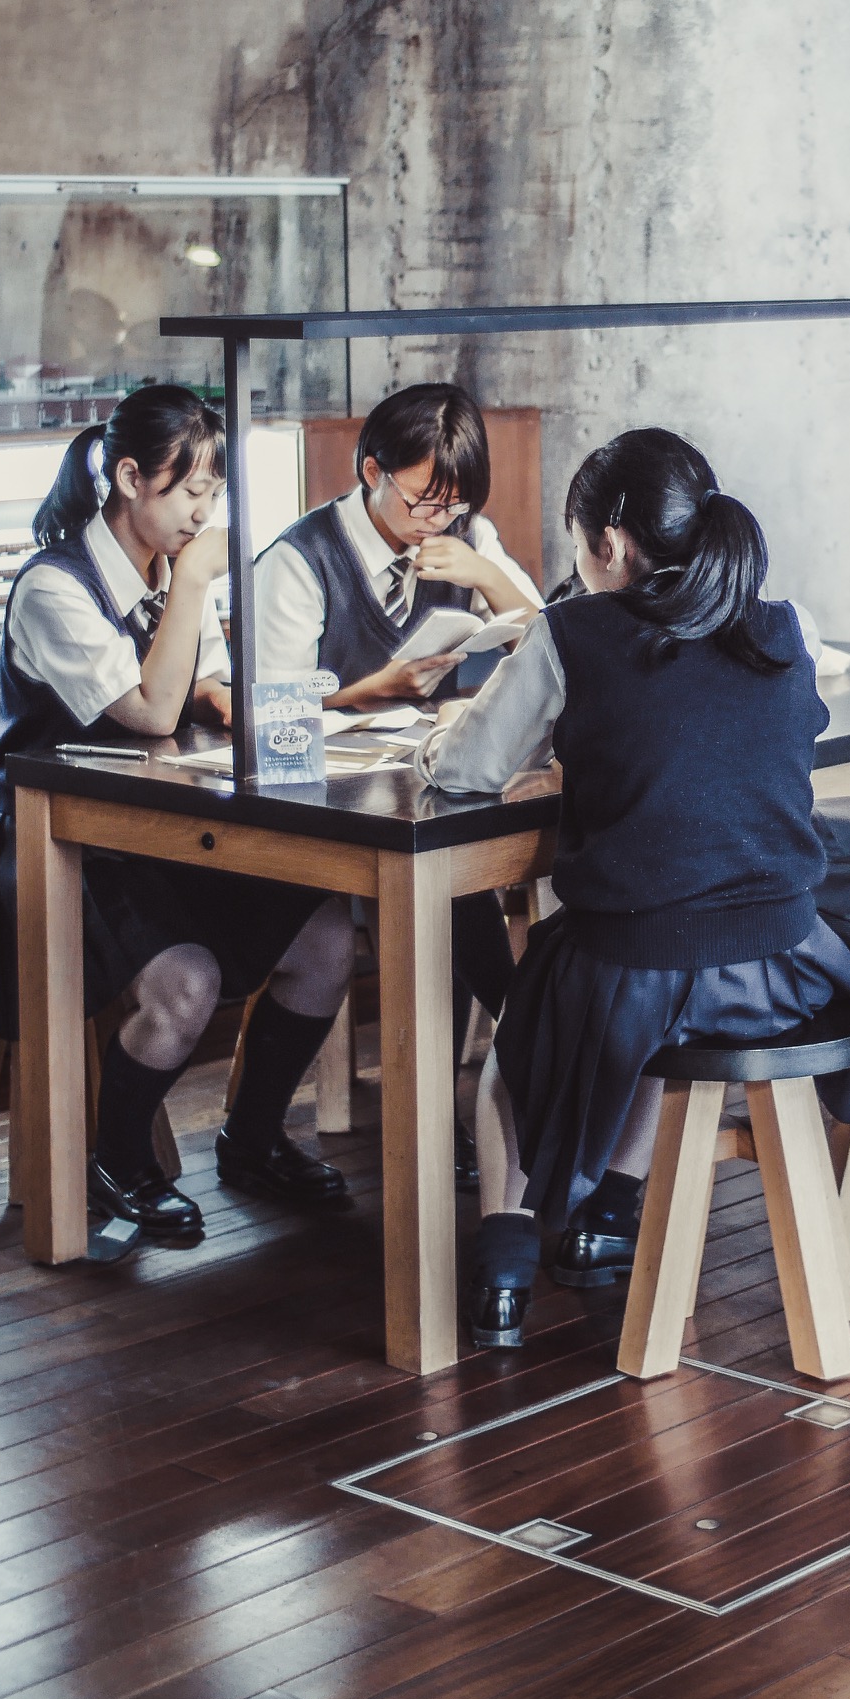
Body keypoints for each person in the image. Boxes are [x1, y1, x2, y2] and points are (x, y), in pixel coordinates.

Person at [420, 425, 850, 1349]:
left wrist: (511, 752)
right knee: (643, 1004)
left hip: (645, 966)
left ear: (612, 544)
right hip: (788, 960)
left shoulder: (571, 632)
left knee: (526, 1045)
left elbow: (467, 769)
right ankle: (606, 1218)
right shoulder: (780, 620)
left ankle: (505, 1265)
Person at [0, 383, 357, 1244]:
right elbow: (146, 708)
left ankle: (250, 1141)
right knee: (188, 982)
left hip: (159, 833)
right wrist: (195, 584)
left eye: (213, 495)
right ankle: (118, 1164)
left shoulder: (168, 574)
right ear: (130, 477)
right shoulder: (53, 587)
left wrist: (245, 703)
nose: (201, 513)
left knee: (327, 936)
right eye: (189, 493)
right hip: (55, 846)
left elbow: (198, 685)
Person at [254, 384, 544, 1183]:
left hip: (420, 783)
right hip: (318, 798)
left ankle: (495, 1077)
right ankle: (533, 1044)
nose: (437, 521)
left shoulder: (467, 532)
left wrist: (486, 572)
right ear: (372, 470)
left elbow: (550, 640)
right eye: (423, 503)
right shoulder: (297, 559)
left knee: (455, 890)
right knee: (450, 901)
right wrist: (371, 690)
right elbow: (272, 711)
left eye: (454, 506)